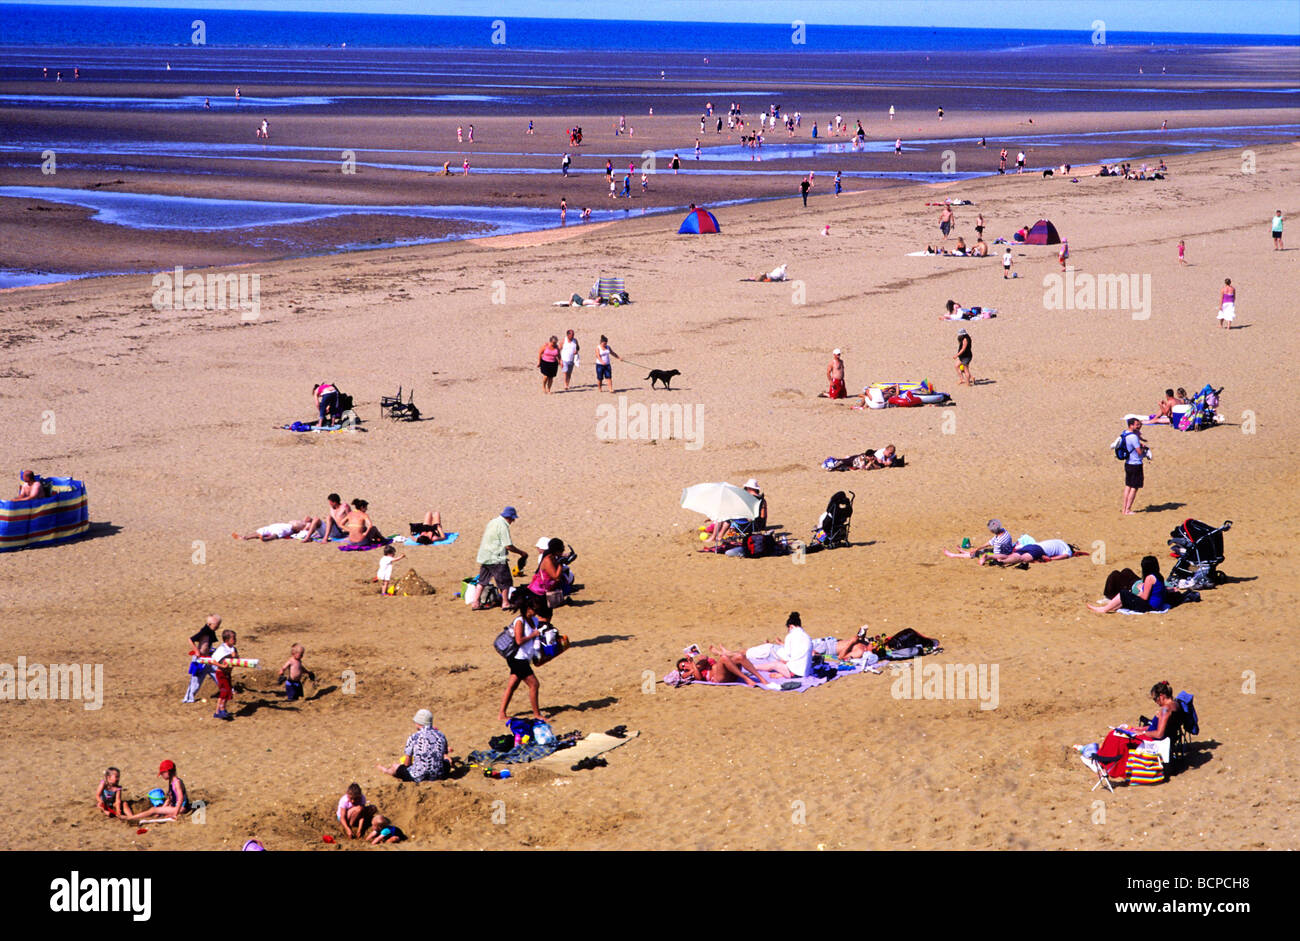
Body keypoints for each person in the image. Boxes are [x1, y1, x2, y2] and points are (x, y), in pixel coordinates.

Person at [1080, 681, 1184, 782]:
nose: (1156, 702)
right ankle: (1101, 757)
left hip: (1153, 740)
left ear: (1161, 696)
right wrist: (1138, 729)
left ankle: (1102, 763)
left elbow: (1159, 733)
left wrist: (1142, 733)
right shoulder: (1175, 704)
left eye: (1155, 699)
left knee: (1115, 736)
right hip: (1159, 736)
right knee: (1122, 731)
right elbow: (1159, 727)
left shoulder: (1165, 710)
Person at [499, 594, 546, 722]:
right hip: (517, 658)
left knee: (512, 685)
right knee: (534, 684)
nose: (536, 612)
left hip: (525, 658)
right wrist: (533, 634)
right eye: (534, 610)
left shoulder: (535, 621)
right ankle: (537, 714)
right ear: (528, 608)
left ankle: (502, 713)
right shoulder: (519, 621)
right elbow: (519, 640)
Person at [377, 708, 452, 781]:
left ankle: (386, 770)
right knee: (447, 761)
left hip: (418, 777)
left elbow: (407, 763)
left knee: (396, 767)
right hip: (439, 775)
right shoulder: (441, 735)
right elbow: (444, 756)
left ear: (418, 723)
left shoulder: (414, 737)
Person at [474, 507, 526, 610]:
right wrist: (521, 553)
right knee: (505, 581)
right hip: (496, 558)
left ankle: (475, 603)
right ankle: (505, 603)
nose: (513, 521)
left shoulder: (493, 522)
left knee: (482, 581)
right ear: (509, 518)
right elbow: (508, 546)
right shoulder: (503, 526)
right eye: (512, 519)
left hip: (485, 556)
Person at [745, 612, 814, 680]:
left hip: (795, 673)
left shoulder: (791, 636)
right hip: (805, 673)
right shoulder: (807, 637)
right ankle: (782, 673)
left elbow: (786, 656)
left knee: (774, 664)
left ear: (790, 626)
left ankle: (753, 667)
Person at [1089, 555, 1167, 613]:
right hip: (1157, 606)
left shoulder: (1149, 578)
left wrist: (1138, 591)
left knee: (1124, 593)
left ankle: (1104, 609)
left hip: (1150, 607)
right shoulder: (1159, 576)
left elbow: (1144, 597)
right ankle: (1109, 607)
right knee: (1125, 596)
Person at [676, 646, 773, 688]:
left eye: (683, 665)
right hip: (720, 679)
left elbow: (706, 660)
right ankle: (747, 679)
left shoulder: (699, 664)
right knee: (723, 658)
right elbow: (698, 677)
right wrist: (692, 663)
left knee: (740, 656)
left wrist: (702, 660)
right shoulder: (688, 673)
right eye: (682, 668)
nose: (684, 668)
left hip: (729, 673)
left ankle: (761, 678)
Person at [710, 479, 766, 546]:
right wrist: (761, 526)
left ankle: (717, 537)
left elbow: (739, 511)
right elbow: (763, 516)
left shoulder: (745, 498)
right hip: (755, 526)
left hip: (744, 526)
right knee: (726, 518)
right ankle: (717, 537)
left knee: (724, 518)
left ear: (748, 488)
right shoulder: (762, 500)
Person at [522, 537, 565, 623]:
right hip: (538, 592)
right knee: (542, 616)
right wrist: (561, 564)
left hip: (544, 592)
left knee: (547, 615)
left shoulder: (553, 557)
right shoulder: (548, 560)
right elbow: (556, 576)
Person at [183, 614, 221, 703]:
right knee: (196, 679)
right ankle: (188, 698)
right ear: (210, 624)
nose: (217, 627)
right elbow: (190, 639)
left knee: (218, 673)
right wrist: (196, 650)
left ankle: (228, 691)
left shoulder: (211, 632)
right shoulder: (205, 630)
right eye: (216, 625)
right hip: (200, 659)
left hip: (208, 659)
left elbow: (208, 644)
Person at [945, 518, 1014, 559]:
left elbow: (997, 556)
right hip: (1007, 550)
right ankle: (965, 552)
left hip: (1003, 554)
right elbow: (989, 543)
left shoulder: (998, 542)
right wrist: (976, 548)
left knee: (976, 554)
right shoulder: (1004, 531)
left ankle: (953, 555)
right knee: (982, 550)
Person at [1120, 417, 1149, 515]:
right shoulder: (1133, 437)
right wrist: (1144, 449)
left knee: (1128, 486)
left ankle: (1124, 508)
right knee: (1134, 487)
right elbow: (1139, 452)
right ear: (1131, 425)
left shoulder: (1125, 433)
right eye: (1137, 425)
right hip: (1135, 464)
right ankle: (1128, 509)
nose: (1139, 426)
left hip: (1128, 463)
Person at [210, 628, 239, 720]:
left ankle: (218, 711)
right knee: (224, 691)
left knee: (228, 691)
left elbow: (236, 659)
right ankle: (221, 709)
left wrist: (234, 655)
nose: (235, 640)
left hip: (227, 674)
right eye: (233, 638)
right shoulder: (222, 649)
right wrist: (221, 666)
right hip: (221, 673)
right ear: (227, 640)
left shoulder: (233, 649)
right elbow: (212, 660)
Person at [232, 519, 311, 540]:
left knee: (276, 534)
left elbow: (305, 530)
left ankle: (267, 539)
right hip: (276, 526)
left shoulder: (302, 527)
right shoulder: (303, 522)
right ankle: (245, 537)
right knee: (261, 531)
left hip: (285, 529)